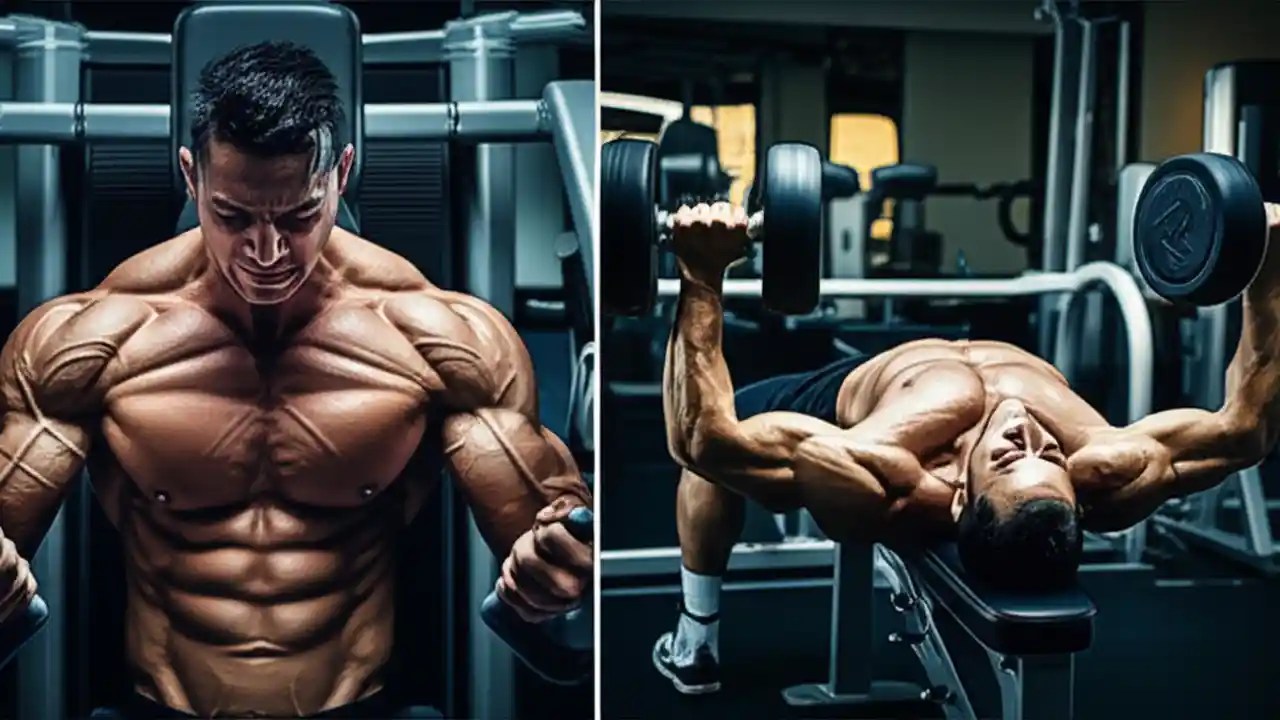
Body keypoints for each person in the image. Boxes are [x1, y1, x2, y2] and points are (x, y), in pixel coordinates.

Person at [0, 42, 592, 718]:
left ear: (343, 173)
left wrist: (556, 572)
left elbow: (545, 544)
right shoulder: (88, 342)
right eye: (233, 216)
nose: (267, 252)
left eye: (298, 215)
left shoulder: (441, 340)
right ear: (190, 178)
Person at [651, 201, 1280, 695]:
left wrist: (701, 274)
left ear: (959, 497)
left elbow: (700, 439)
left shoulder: (888, 469)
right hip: (962, 360)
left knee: (712, 460)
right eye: (1050, 455)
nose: (1025, 430)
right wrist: (1266, 271)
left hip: (856, 388)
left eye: (1008, 459)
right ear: (1077, 489)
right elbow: (1247, 428)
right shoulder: (1106, 464)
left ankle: (695, 637)